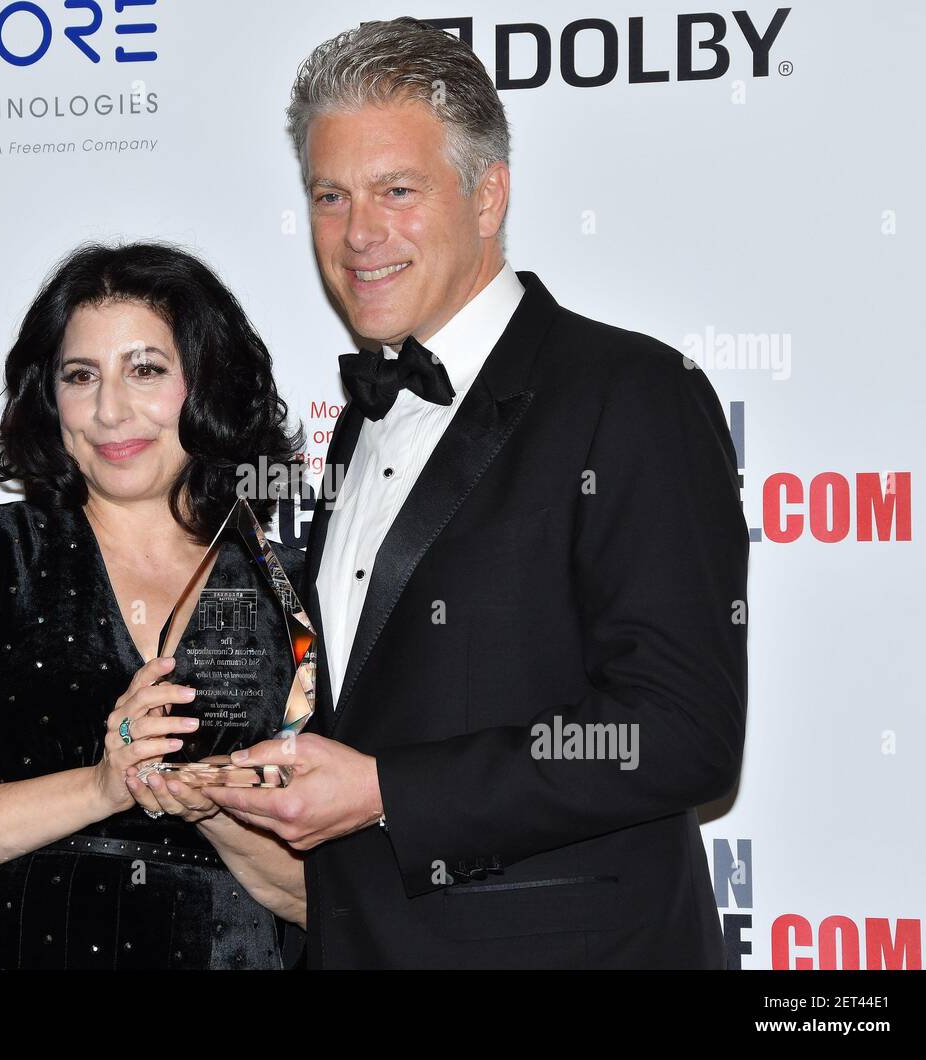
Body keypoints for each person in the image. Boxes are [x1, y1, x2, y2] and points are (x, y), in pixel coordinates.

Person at [189, 17, 749, 969]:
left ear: (488, 195)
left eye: (396, 191)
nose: (359, 233)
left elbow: (679, 732)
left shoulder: (629, 393)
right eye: (331, 195)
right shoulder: (364, 423)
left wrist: (387, 791)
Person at [0, 241, 307, 969]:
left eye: (146, 370)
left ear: (209, 384)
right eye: (80, 376)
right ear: (49, 396)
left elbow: (327, 897)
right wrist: (101, 783)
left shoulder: (294, 597)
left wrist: (210, 805)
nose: (111, 410)